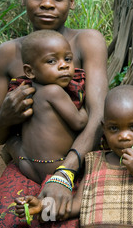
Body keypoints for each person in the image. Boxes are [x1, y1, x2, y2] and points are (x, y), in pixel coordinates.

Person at [0, 0, 108, 228]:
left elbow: (98, 117)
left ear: (72, 1)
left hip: (79, 165)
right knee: (3, 219)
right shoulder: (7, 53)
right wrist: (5, 116)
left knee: (63, 222)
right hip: (27, 166)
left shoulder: (88, 41)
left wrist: (64, 174)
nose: (47, 3)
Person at [15, 85, 133, 228]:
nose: (124, 136)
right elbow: (76, 206)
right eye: (114, 128)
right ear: (104, 128)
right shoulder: (94, 162)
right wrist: (43, 208)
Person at [6, 29, 88, 185]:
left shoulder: (27, 91)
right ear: (29, 71)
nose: (64, 65)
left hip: (26, 164)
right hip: (55, 166)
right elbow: (79, 123)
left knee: (11, 142)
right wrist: (84, 109)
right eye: (52, 61)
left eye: (68, 59)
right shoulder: (54, 91)